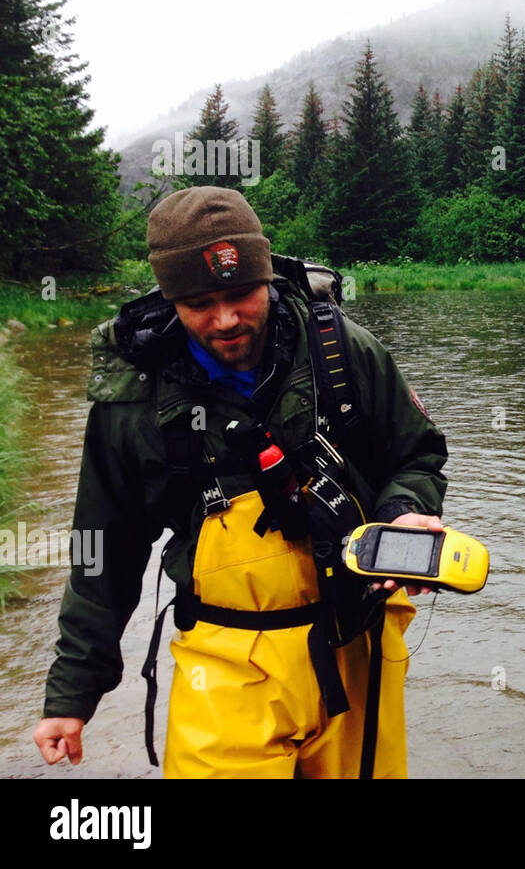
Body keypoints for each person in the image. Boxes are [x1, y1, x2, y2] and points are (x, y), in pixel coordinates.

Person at [31, 186, 449, 778]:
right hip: (223, 665)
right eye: (199, 302)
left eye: (240, 294)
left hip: (357, 643)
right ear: (168, 296)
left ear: (268, 278)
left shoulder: (342, 351)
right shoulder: (133, 402)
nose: (225, 319)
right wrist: (71, 696)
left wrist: (404, 509)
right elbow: (105, 550)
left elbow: (418, 454)